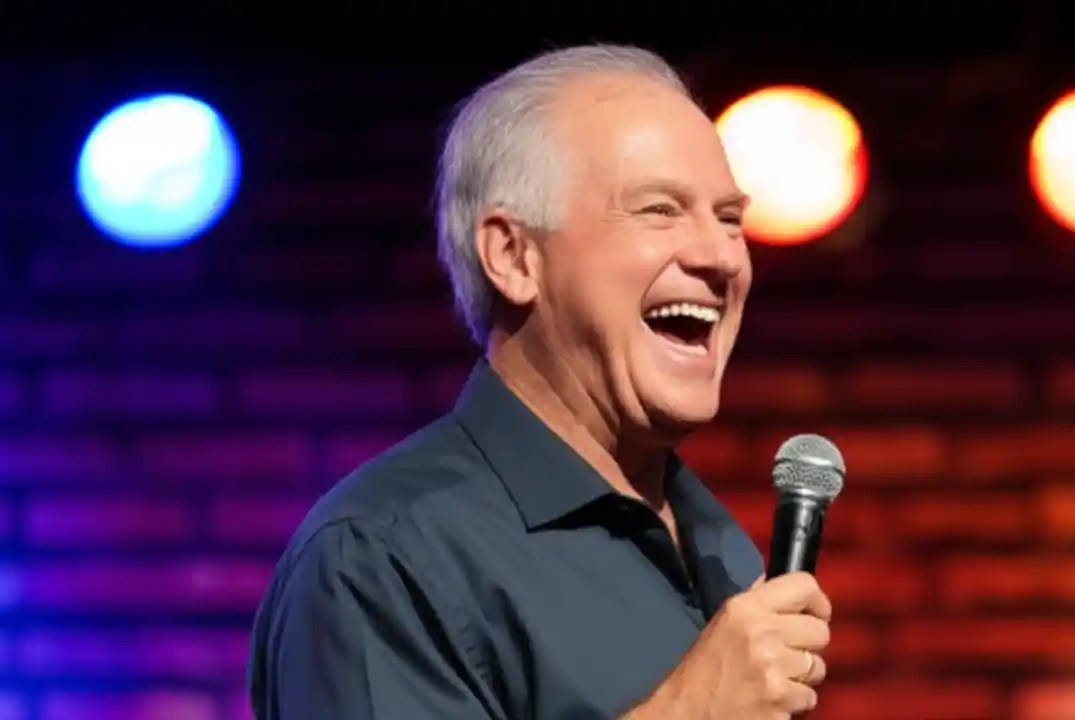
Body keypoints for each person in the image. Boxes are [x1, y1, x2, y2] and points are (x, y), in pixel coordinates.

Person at [248, 43, 832, 719]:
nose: (719, 256)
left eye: (729, 219)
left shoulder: (716, 545)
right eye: (658, 210)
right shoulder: (380, 557)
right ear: (514, 256)